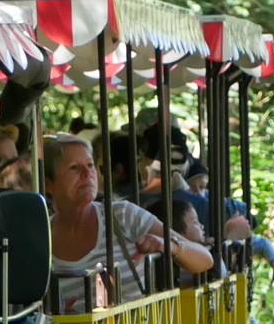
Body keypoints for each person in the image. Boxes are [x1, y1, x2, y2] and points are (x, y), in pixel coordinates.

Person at [44, 132, 211, 309]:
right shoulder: (41, 239)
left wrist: (168, 245)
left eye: (90, 165)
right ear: (48, 184)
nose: (86, 173)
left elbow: (204, 260)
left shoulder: (122, 215)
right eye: (73, 167)